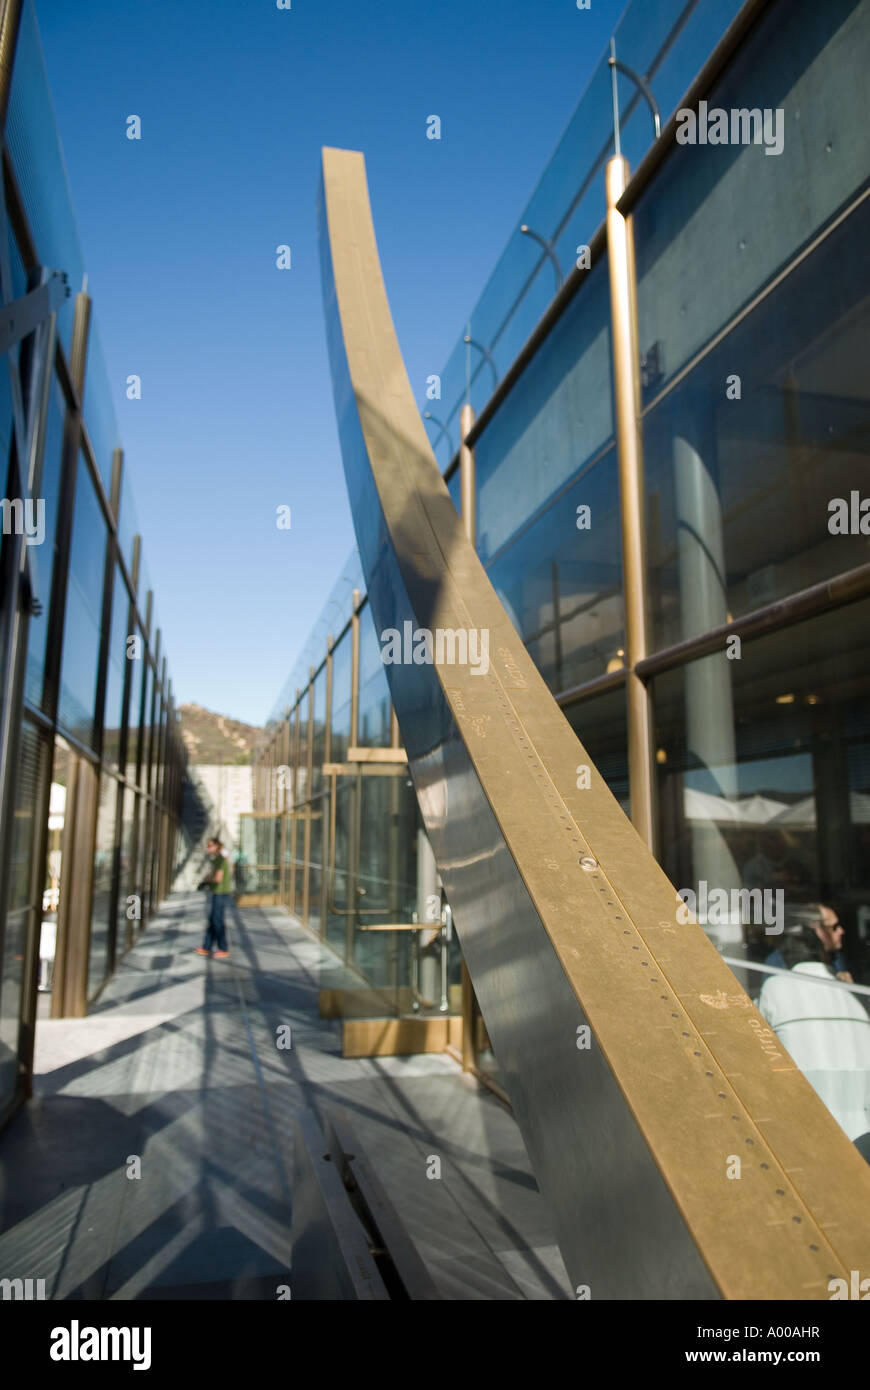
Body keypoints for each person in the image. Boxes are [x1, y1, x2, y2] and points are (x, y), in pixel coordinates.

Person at [758, 909, 870, 1144]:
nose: (841, 932)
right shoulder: (853, 995)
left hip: (807, 1132)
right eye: (833, 927)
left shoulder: (775, 988)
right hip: (860, 1130)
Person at [196, 838, 232, 959]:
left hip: (220, 892)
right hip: (219, 892)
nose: (208, 848)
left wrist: (206, 880)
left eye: (210, 846)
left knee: (217, 921)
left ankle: (223, 948)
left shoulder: (220, 860)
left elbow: (218, 878)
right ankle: (206, 947)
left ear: (216, 846)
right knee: (213, 920)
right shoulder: (220, 859)